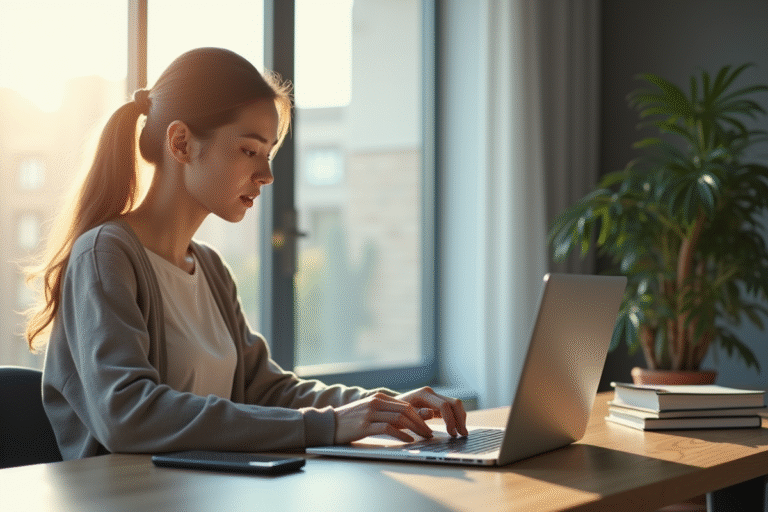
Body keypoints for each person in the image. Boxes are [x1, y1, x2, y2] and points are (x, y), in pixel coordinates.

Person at [23, 47, 467, 460]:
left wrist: (381, 406)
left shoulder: (210, 268)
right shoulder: (105, 255)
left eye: (268, 153)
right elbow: (130, 415)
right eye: (249, 150)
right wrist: (328, 425)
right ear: (181, 143)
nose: (267, 174)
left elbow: (268, 391)